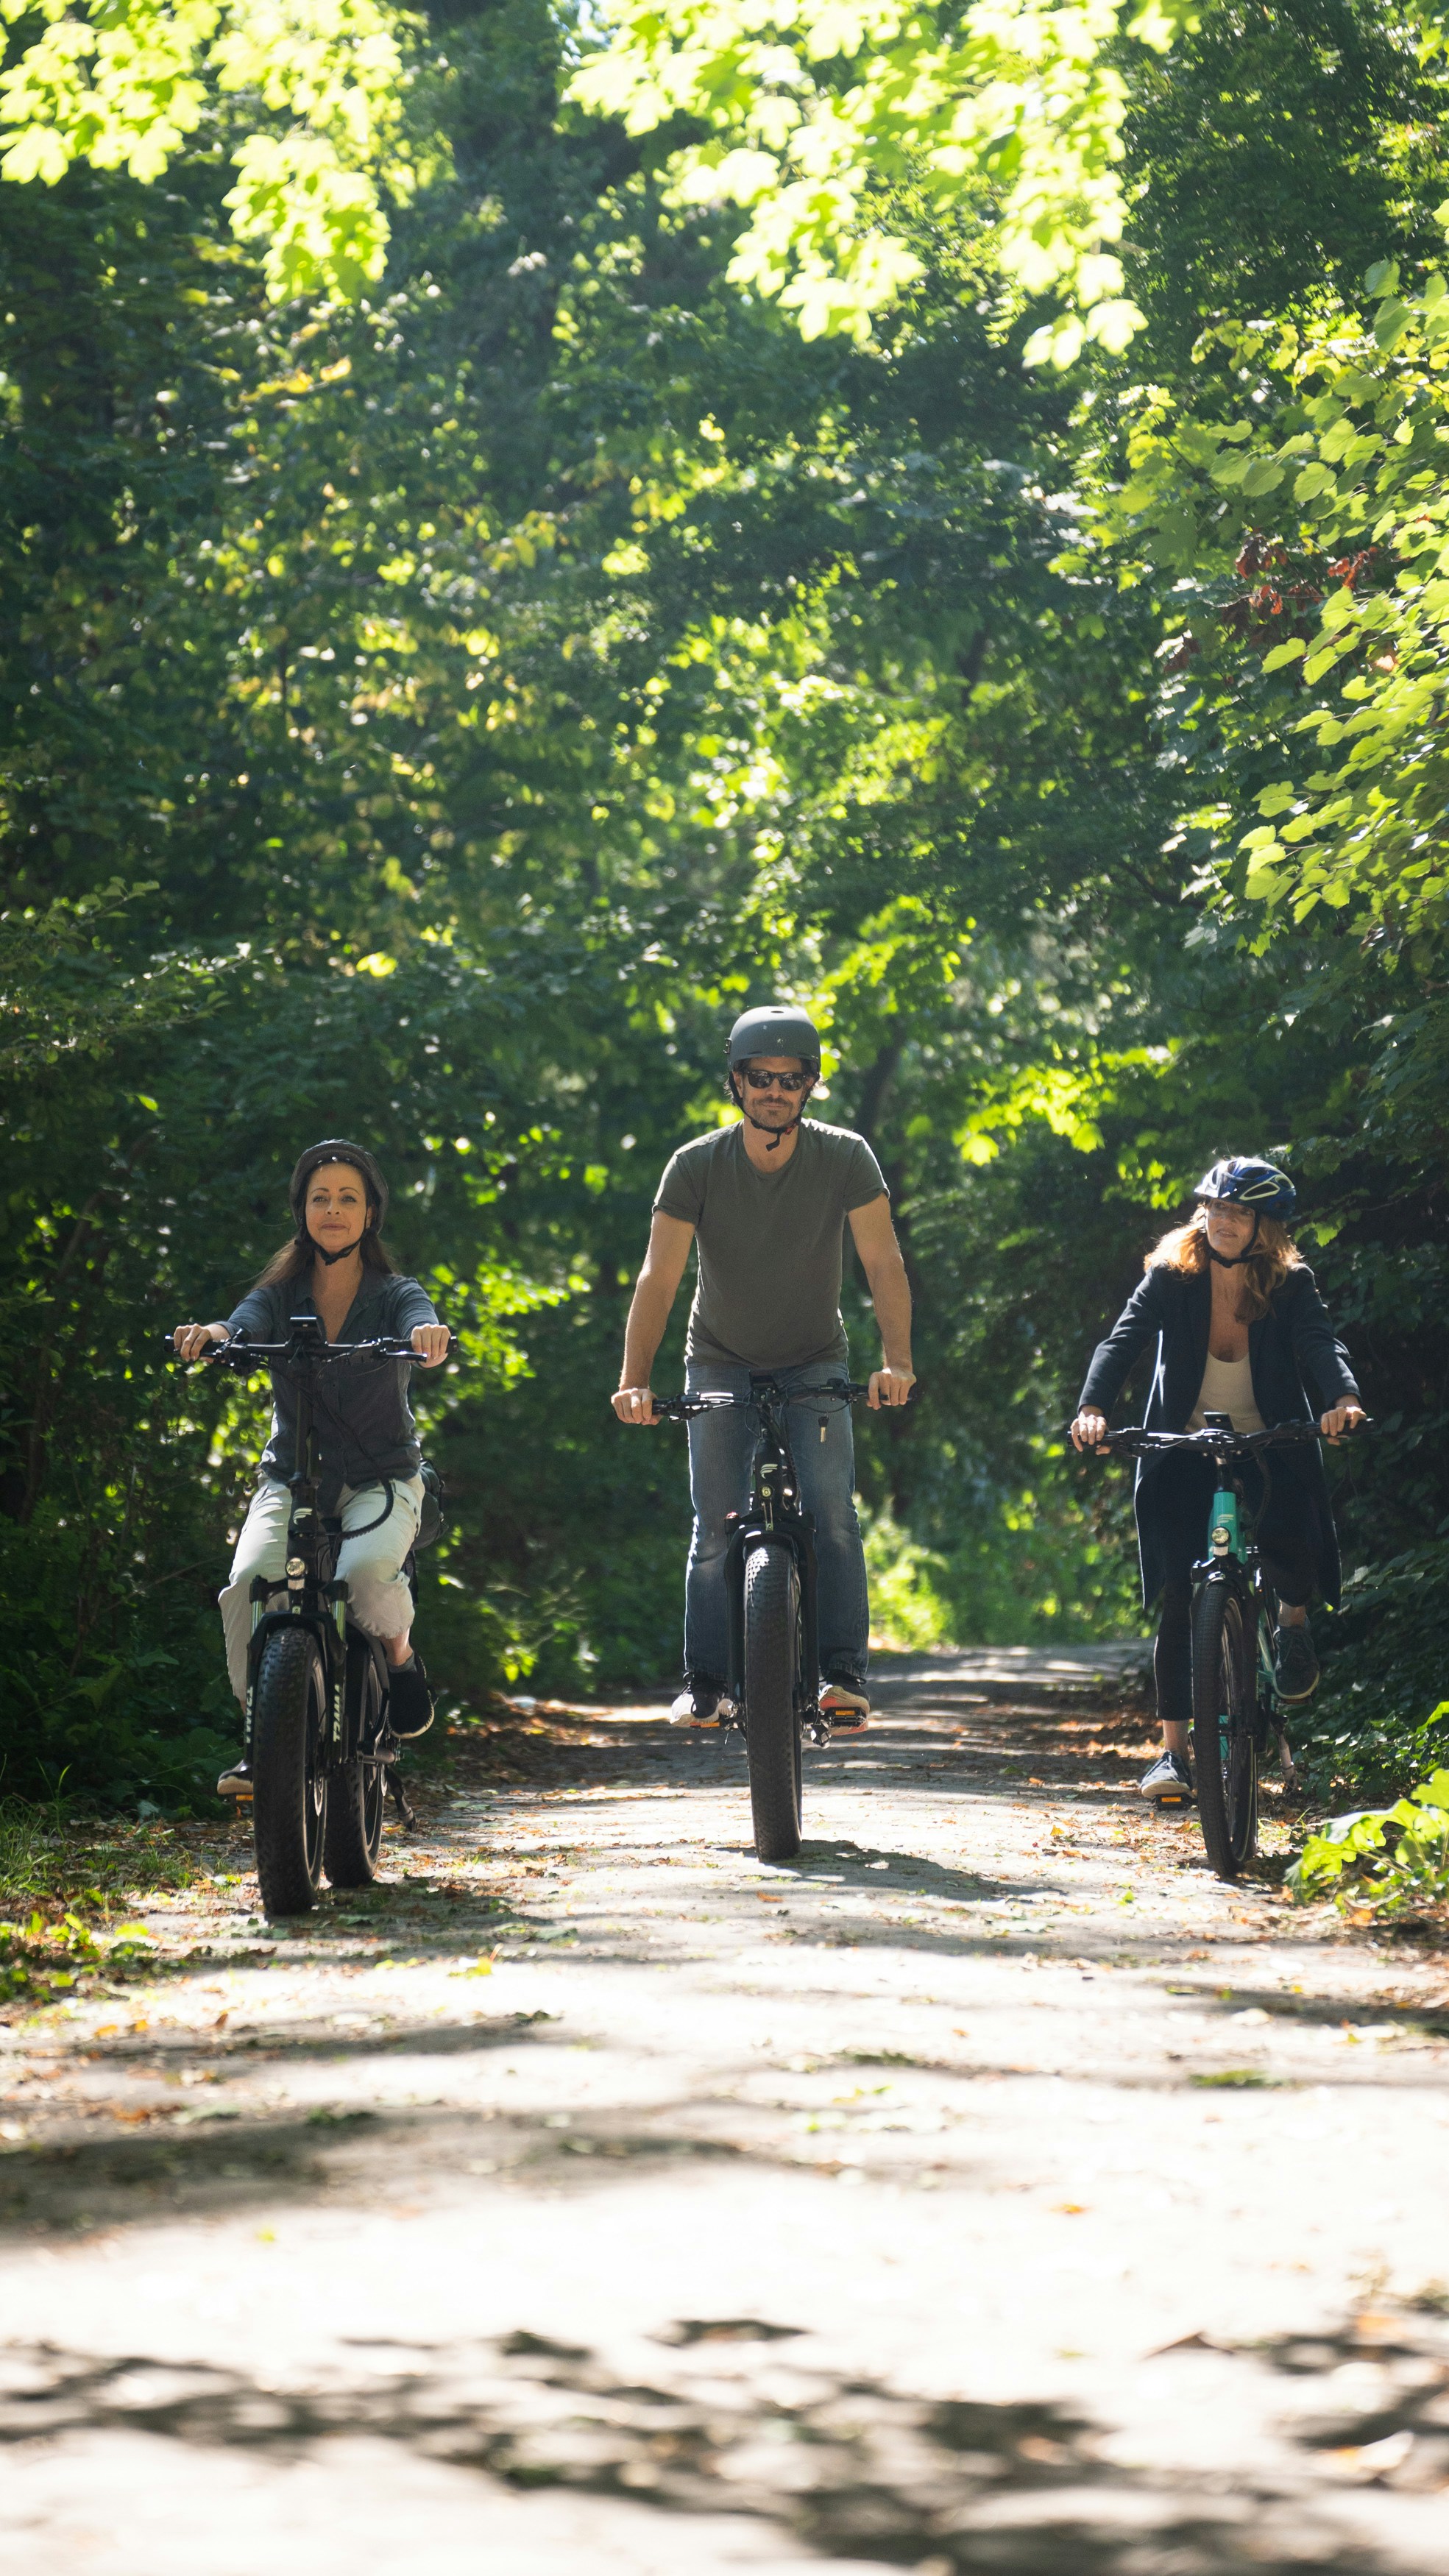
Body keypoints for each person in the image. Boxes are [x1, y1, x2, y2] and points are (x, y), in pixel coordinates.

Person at [612, 1003, 915, 1732]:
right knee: (713, 1528)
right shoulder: (695, 1165)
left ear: (809, 1085)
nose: (773, 1090)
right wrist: (635, 1378)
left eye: (789, 1078)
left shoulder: (844, 1155)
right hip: (719, 1360)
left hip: (815, 1359)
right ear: (737, 1082)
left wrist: (895, 1362)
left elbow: (883, 1260)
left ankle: (843, 1676)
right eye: (759, 1077)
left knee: (835, 1518)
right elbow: (659, 1277)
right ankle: (707, 1683)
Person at [1070, 1157, 1365, 1802]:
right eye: (1214, 1207)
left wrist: (1340, 1398)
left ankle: (1289, 1623)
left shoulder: (1290, 1283)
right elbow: (1121, 1341)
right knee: (1180, 1595)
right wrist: (1093, 1408)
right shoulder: (1171, 1276)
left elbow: (1320, 1344)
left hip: (1269, 1438)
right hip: (1185, 1444)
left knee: (1293, 1541)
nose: (1221, 1221)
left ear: (1265, 1226)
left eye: (1236, 1212)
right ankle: (1172, 1756)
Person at [172, 1139, 450, 1796]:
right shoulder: (279, 1294)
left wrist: (427, 1335)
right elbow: (239, 1324)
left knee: (362, 1575)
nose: (333, 1209)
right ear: (302, 1212)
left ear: (369, 1215)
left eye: (348, 1198)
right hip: (292, 1478)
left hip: (382, 1476)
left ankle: (401, 1656)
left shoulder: (394, 1293)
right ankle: (262, 1740)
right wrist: (215, 1336)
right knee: (248, 1582)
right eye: (320, 1198)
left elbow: (420, 1317)